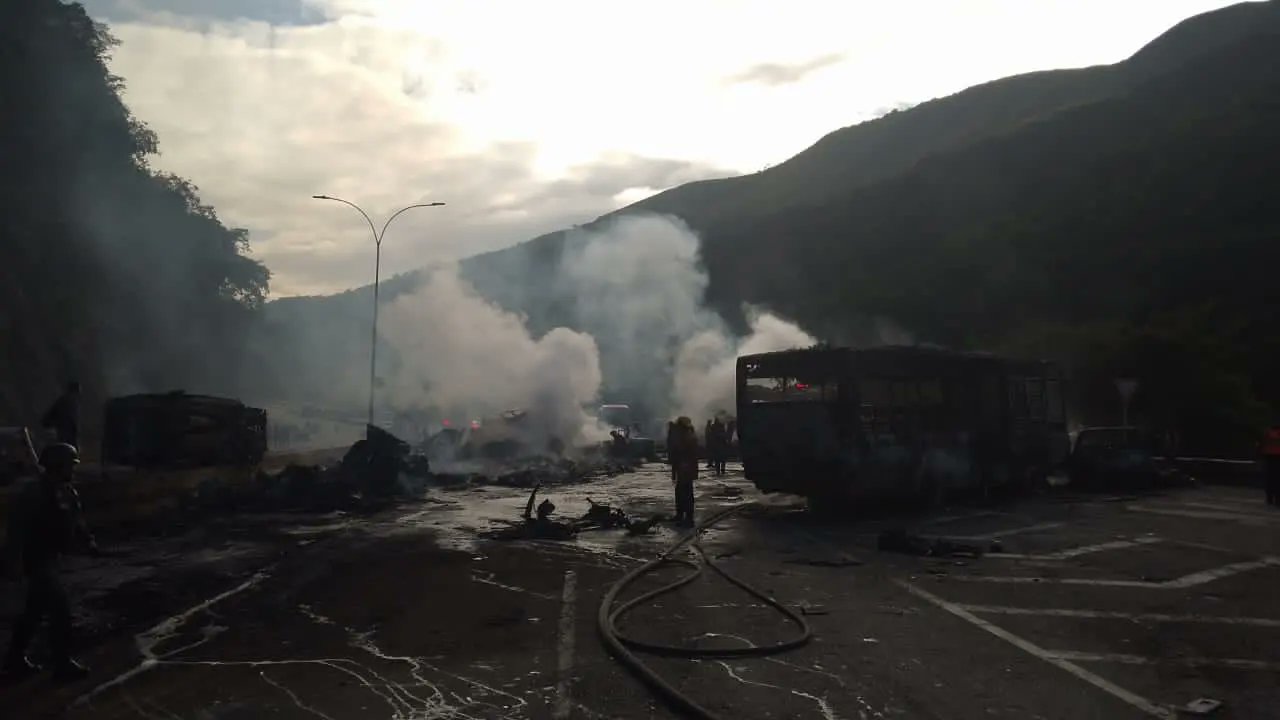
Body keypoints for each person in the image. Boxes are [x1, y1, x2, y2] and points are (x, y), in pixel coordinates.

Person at [3, 443, 99, 681]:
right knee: (60, 611)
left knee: (34, 611)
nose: (72, 470)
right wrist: (14, 563)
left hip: (50, 558)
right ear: (57, 466)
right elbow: (17, 531)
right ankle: (62, 664)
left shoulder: (67, 491)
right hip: (34, 559)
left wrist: (88, 542)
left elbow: (77, 522)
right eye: (69, 466)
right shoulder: (33, 494)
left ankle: (14, 659)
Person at [669, 417, 700, 526]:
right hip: (683, 469)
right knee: (680, 492)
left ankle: (688, 518)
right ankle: (681, 515)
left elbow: (687, 454)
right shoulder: (685, 435)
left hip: (686, 470)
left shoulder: (687, 436)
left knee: (686, 494)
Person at [41, 381, 81, 449]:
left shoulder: (62, 400)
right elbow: (73, 421)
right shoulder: (72, 402)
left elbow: (47, 418)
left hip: (61, 435)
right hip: (67, 435)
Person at [1261, 424, 1280, 506]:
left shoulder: (1267, 432)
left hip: (1269, 457)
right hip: (1277, 457)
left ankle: (1270, 498)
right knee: (1277, 479)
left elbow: (1262, 443)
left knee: (1269, 478)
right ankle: (1277, 500)